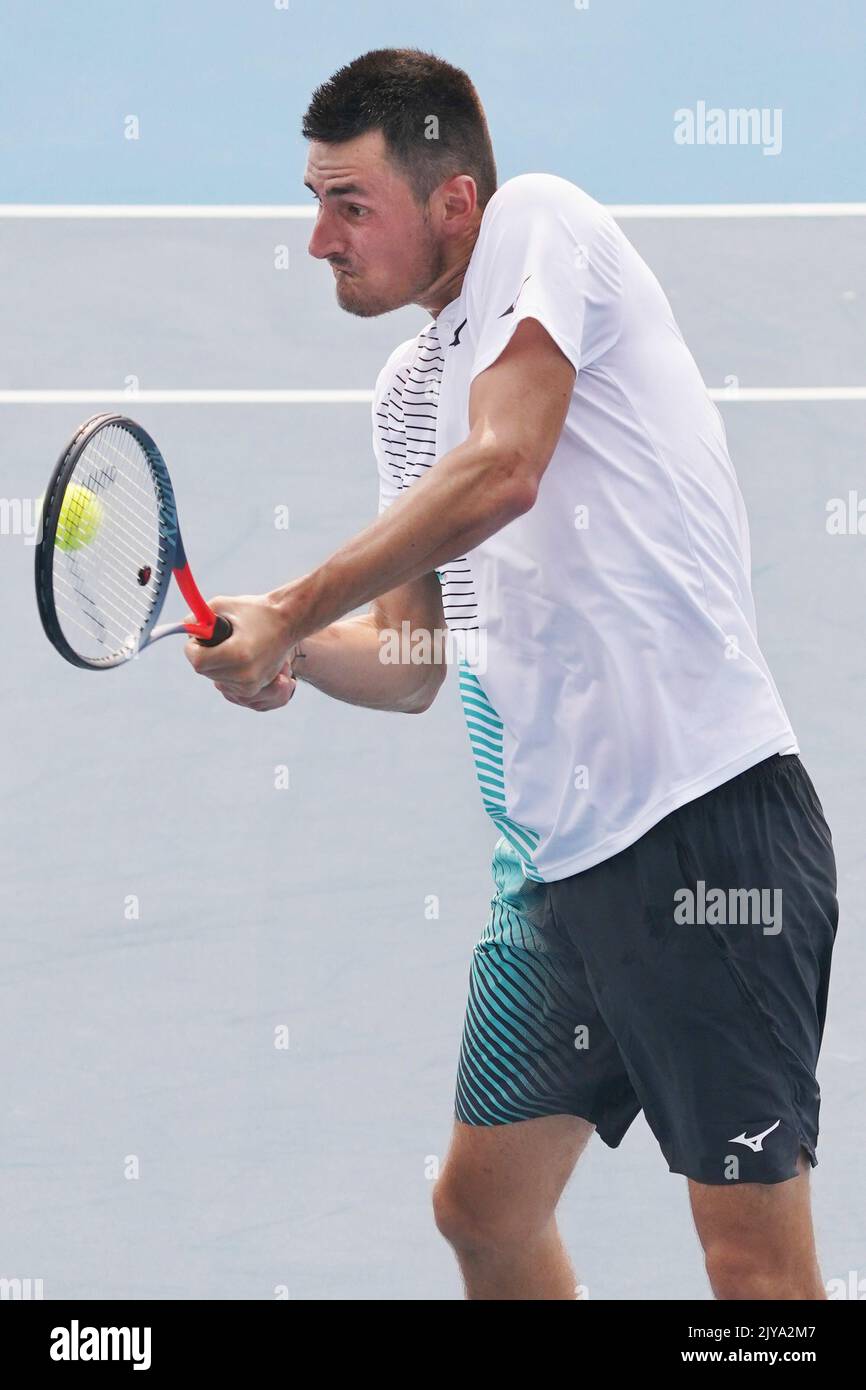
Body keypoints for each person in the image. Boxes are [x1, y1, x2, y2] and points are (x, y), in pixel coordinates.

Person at [185, 48, 838, 1301]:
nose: (317, 237)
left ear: (455, 203)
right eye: (313, 201)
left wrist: (294, 603)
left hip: (704, 835)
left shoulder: (544, 221)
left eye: (349, 204)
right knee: (482, 1210)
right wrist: (286, 644)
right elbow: (416, 659)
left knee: (751, 1274)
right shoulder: (404, 392)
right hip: (554, 874)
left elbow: (507, 470)